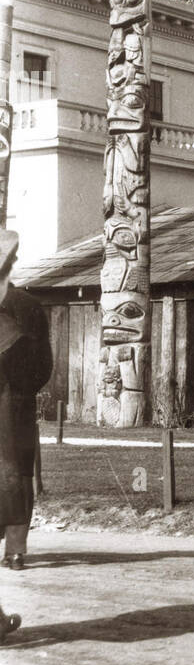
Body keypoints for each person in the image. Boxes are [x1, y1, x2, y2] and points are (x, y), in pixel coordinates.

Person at [0, 231, 53, 572]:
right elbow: (43, 367)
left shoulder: (22, 307)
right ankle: (15, 551)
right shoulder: (29, 306)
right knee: (16, 472)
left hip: (11, 399)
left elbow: (40, 365)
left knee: (13, 473)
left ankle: (13, 548)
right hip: (15, 403)